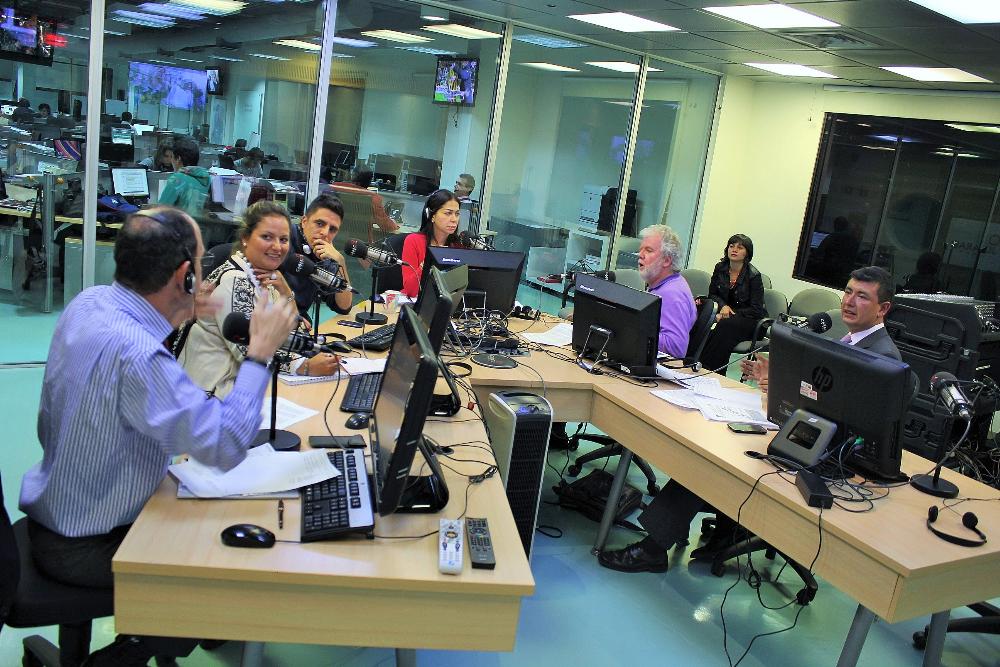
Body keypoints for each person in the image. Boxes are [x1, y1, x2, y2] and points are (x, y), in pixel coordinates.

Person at [18, 206, 298, 664]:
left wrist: (180, 313)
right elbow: (226, 445)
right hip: (86, 544)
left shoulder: (90, 303)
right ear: (185, 276)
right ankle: (121, 656)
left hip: (56, 511)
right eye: (201, 266)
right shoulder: (140, 357)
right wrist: (259, 354)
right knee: (225, 574)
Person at [598, 266, 901, 574]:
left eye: (862, 296)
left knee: (710, 464)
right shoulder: (849, 341)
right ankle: (727, 529)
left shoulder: (883, 359)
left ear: (883, 308)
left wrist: (786, 394)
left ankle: (653, 548)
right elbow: (822, 399)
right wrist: (777, 383)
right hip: (806, 437)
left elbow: (851, 425)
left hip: (831, 461)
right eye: (848, 292)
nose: (849, 301)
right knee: (718, 446)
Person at [179, 201, 341, 396]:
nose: (277, 247)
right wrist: (303, 366)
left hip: (239, 387)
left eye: (283, 239)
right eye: (267, 237)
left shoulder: (265, 278)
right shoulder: (234, 280)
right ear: (245, 238)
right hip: (208, 396)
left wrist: (286, 292)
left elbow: (294, 335)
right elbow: (249, 351)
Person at [698, 234, 767, 374]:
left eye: (739, 247)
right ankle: (698, 363)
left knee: (725, 326)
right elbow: (713, 295)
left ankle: (711, 371)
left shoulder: (754, 276)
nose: (734, 250)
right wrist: (723, 306)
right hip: (727, 316)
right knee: (702, 317)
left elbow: (756, 310)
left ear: (747, 253)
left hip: (751, 321)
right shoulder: (720, 268)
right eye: (731, 246)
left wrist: (728, 314)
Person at [285, 193, 354, 323]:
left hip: (299, 324)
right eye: (320, 223)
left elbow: (343, 307)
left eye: (332, 229)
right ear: (304, 222)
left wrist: (340, 262)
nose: (325, 233)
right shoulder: (282, 240)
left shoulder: (325, 255)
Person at [639, 224, 696, 358]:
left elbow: (676, 348)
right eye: (640, 250)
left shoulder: (671, 293)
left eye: (648, 250)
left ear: (666, 260)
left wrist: (633, 331)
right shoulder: (667, 284)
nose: (640, 255)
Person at [401, 188, 461, 298]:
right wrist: (429, 262)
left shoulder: (458, 246)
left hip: (447, 303)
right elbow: (410, 290)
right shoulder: (413, 241)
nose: (454, 219)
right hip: (416, 302)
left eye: (457, 214)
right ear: (432, 216)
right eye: (448, 213)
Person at [332, 168, 399, 235]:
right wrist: (393, 224)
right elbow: (386, 226)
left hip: (333, 237)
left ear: (352, 176)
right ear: (369, 182)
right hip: (359, 240)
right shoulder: (373, 198)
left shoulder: (333, 189)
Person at [158, 137, 210, 215]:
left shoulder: (177, 179)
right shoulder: (206, 178)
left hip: (178, 222)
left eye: (172, 157)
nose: (171, 161)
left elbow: (161, 211)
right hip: (195, 222)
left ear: (178, 159)